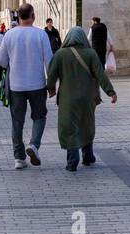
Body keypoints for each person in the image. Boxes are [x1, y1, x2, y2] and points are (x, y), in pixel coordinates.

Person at [47, 27, 117, 171]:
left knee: (69, 127)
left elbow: (51, 75)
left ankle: (72, 160)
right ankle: (88, 156)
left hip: (68, 98)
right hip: (88, 97)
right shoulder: (90, 54)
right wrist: (110, 92)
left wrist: (51, 89)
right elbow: (101, 75)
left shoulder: (60, 54)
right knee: (86, 124)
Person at [0, 4, 55, 170]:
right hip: (37, 84)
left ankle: (19, 158)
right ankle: (34, 145)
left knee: (17, 121)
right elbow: (49, 61)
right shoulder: (41, 34)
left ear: (18, 17)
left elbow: (1, 60)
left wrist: (13, 63)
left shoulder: (9, 35)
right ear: (33, 16)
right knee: (39, 116)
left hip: (16, 85)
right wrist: (51, 84)